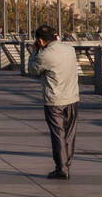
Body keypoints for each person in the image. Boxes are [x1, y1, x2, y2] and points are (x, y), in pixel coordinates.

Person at [29, 24, 79, 180]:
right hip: (73, 98)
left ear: (41, 41)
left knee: (58, 134)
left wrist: (34, 52)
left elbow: (33, 70)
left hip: (54, 100)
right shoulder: (70, 49)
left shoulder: (45, 55)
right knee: (69, 134)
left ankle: (61, 168)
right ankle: (67, 164)